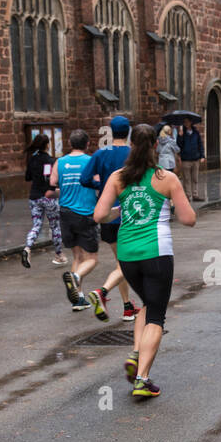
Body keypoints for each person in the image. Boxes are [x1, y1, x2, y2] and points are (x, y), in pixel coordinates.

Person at [93, 124, 196, 398]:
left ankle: (136, 353)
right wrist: (171, 203)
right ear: (154, 146)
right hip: (157, 254)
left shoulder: (118, 178)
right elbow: (189, 219)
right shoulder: (167, 178)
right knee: (157, 317)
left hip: (127, 255)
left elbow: (99, 215)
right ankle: (142, 378)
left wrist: (120, 210)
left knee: (148, 305)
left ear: (130, 144)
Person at [80, 115, 140, 323]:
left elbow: (84, 179)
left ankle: (127, 307)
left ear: (111, 131)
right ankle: (102, 292)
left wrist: (103, 187)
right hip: (129, 214)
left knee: (120, 261)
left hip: (107, 215)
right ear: (128, 131)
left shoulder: (100, 154)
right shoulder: (133, 154)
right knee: (127, 263)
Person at [52, 129, 99, 313]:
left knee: (77, 256)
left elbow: (54, 181)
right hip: (85, 212)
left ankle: (78, 298)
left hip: (65, 212)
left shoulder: (60, 161)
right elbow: (97, 181)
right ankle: (76, 277)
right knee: (92, 259)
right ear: (87, 144)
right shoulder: (90, 161)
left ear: (70, 144)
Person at [22, 133, 65, 270]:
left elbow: (27, 177)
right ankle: (59, 254)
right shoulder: (50, 161)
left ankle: (28, 247)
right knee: (55, 226)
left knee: (36, 225)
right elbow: (51, 180)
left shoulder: (32, 159)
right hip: (48, 197)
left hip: (34, 197)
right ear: (47, 145)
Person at [177, 117, 204, 202]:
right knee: (187, 178)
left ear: (191, 123)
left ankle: (195, 195)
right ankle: (188, 195)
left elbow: (200, 144)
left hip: (195, 158)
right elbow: (179, 145)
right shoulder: (182, 133)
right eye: (185, 122)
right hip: (186, 159)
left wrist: (202, 156)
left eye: (188, 122)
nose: (186, 124)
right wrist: (180, 136)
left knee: (195, 178)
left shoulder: (196, 132)